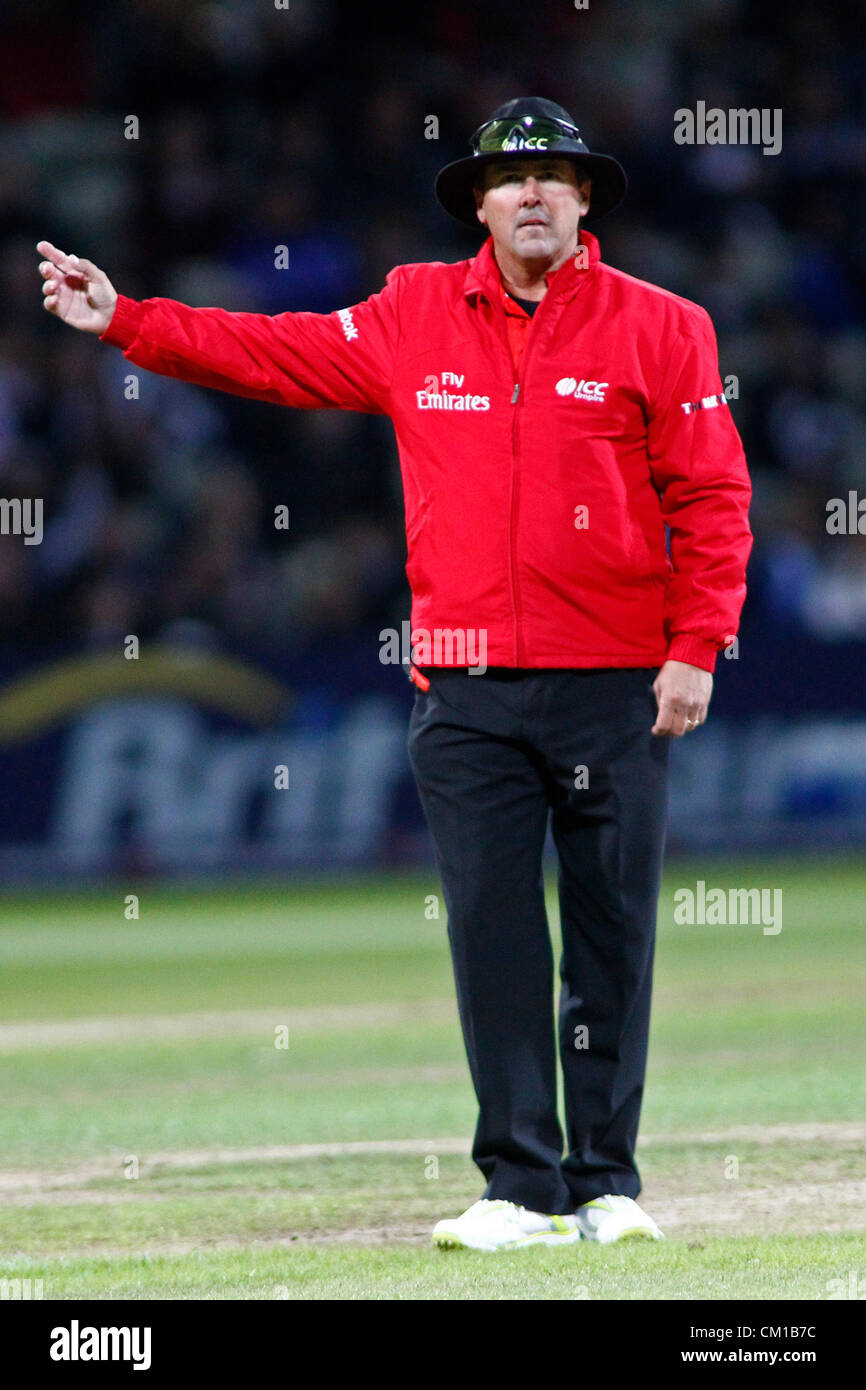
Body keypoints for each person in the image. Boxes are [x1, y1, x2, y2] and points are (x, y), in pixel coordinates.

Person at [37, 96, 752, 1252]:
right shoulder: (416, 311)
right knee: (493, 933)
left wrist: (692, 645)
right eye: (510, 179)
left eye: (554, 178)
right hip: (462, 688)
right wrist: (127, 320)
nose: (532, 194)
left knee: (612, 932)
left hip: (613, 681)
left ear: (583, 202)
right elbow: (273, 354)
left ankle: (605, 1180)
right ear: (477, 201)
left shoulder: (662, 327)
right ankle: (519, 1188)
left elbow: (712, 496)